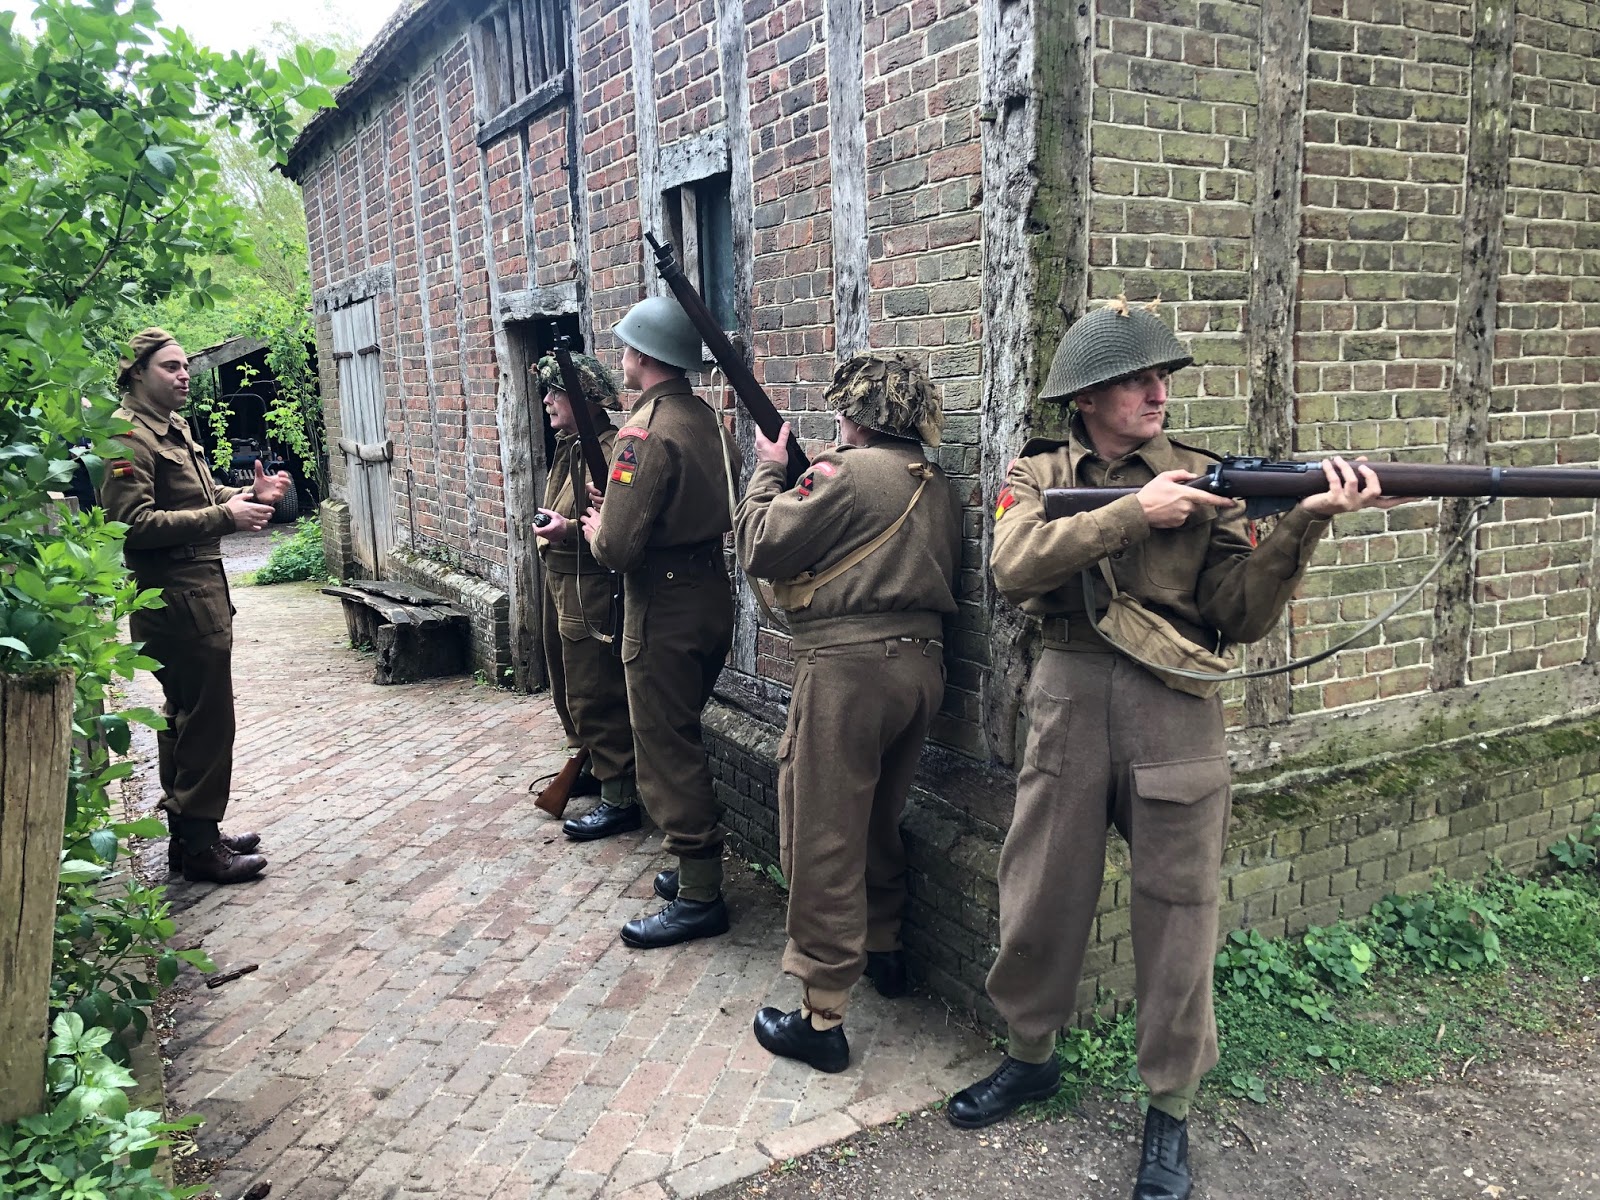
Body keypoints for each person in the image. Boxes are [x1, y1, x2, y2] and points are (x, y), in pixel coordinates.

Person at [949, 301, 1400, 1200]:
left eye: (1163, 377)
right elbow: (1011, 567)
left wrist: (1304, 523)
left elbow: (1240, 614)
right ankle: (1030, 1054)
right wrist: (1131, 513)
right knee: (1040, 894)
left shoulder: (1208, 476)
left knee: (1178, 914)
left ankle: (1171, 1111)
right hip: (1068, 700)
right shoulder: (1035, 472)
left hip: (1175, 708)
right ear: (1084, 398)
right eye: (1135, 379)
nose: (1159, 392)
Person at [733, 353, 961, 1073]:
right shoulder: (939, 489)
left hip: (847, 674)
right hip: (921, 670)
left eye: (843, 410)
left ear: (857, 417)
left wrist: (769, 469)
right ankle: (886, 949)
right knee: (876, 819)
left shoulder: (846, 472)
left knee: (823, 832)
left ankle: (822, 1014)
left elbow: (762, 546)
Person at [580, 296, 741, 949]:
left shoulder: (643, 431)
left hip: (664, 606)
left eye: (626, 345)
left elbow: (618, 549)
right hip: (709, 594)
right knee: (681, 731)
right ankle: (691, 868)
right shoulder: (711, 423)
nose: (622, 355)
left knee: (666, 747)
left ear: (644, 355)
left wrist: (597, 528)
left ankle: (701, 891)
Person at [99, 328, 288, 884]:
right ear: (137, 371)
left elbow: (198, 498)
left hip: (199, 589)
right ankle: (201, 847)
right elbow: (130, 525)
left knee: (190, 717)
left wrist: (246, 497)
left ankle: (192, 834)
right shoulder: (126, 437)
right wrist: (225, 519)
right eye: (171, 368)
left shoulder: (172, 427)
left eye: (185, 367)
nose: (185, 376)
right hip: (175, 596)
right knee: (205, 720)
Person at [530, 351, 639, 841]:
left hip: (591, 589)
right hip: (562, 584)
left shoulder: (612, 449)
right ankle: (593, 766)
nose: (548, 400)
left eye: (558, 392)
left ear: (586, 400)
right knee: (568, 686)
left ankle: (618, 796)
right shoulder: (570, 444)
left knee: (596, 691)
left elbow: (615, 525)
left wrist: (568, 529)